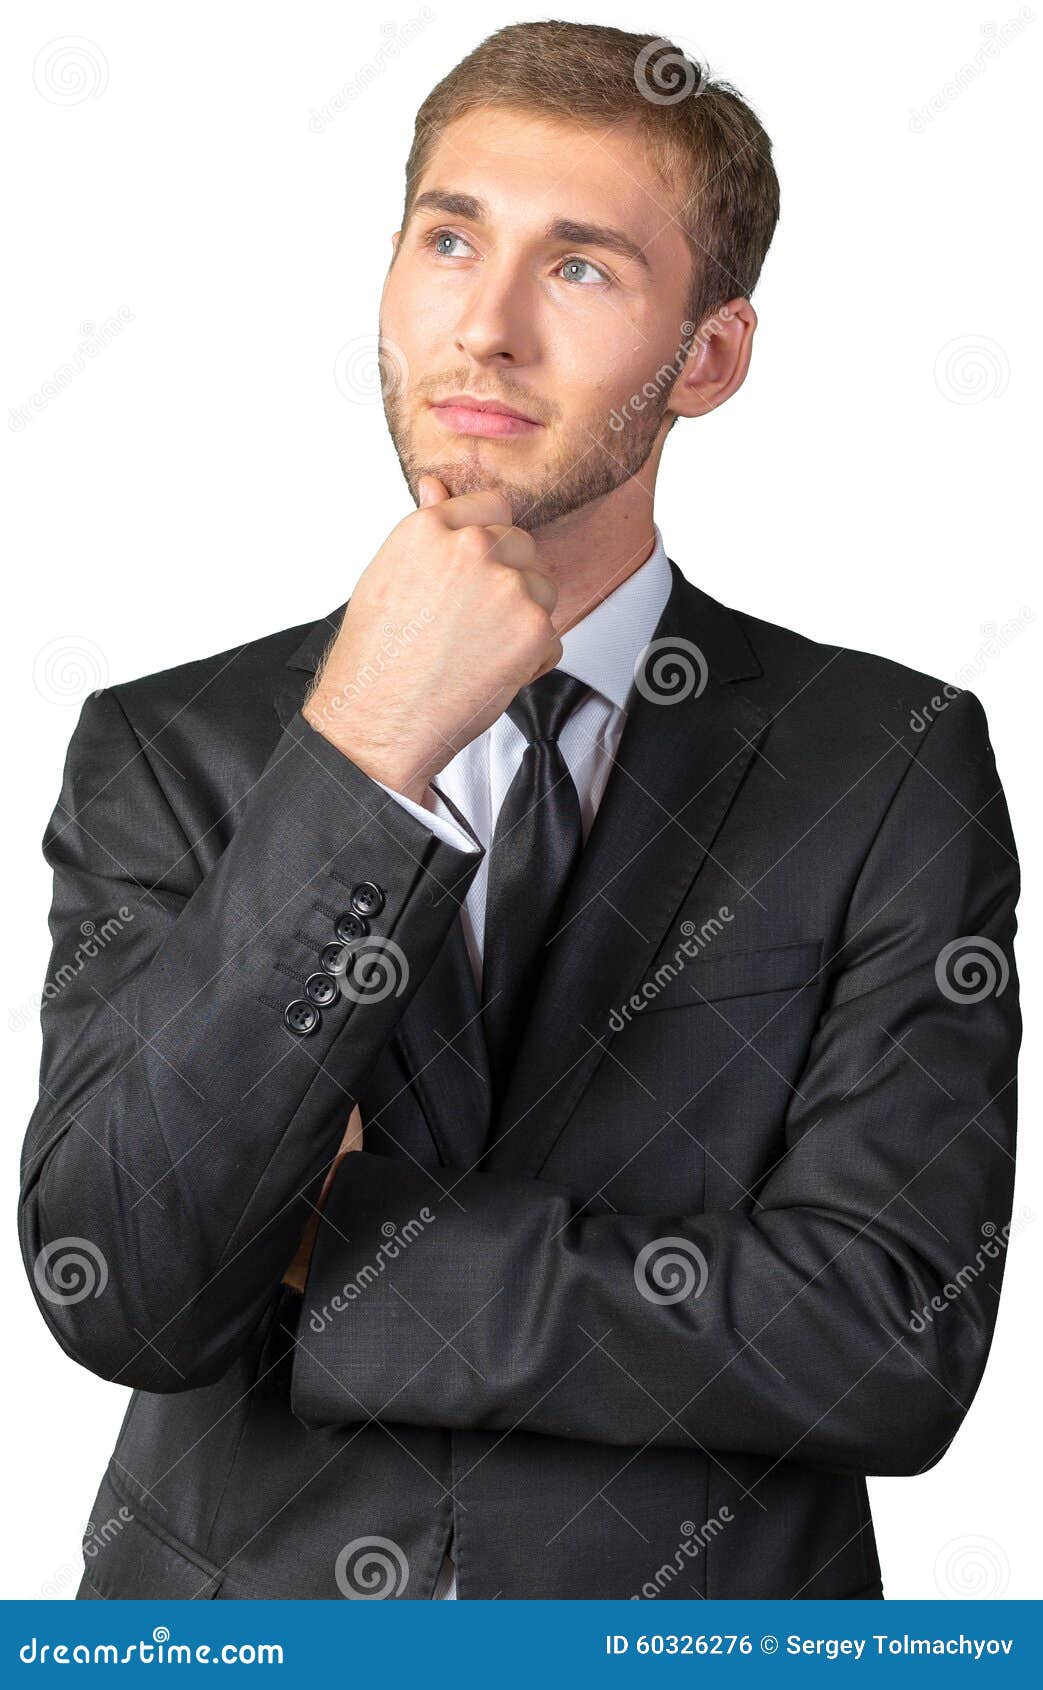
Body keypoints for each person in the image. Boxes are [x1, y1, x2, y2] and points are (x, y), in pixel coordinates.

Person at [20, 21, 1019, 1601]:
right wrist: (359, 751)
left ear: (709, 355)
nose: (481, 328)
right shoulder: (168, 748)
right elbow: (127, 1286)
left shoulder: (886, 760)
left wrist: (342, 1242)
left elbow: (888, 1339)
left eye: (580, 268)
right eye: (449, 238)